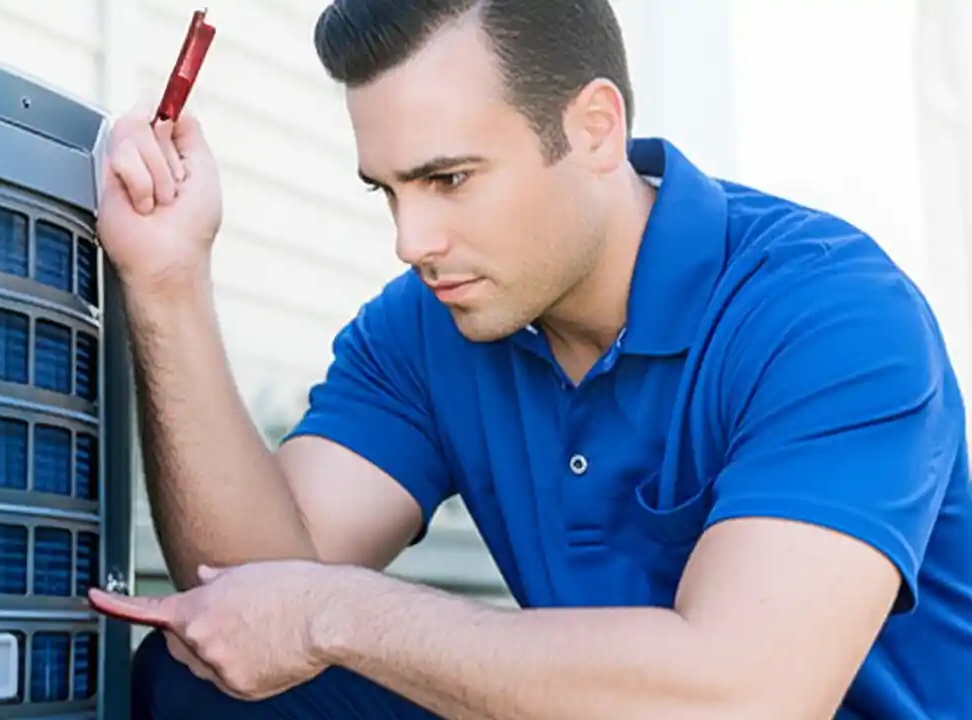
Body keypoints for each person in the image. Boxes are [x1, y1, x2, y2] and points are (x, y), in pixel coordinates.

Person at [89, 0, 972, 717]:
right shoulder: (429, 322)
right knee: (204, 683)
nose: (411, 240)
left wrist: (336, 611)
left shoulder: (831, 314)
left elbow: (745, 699)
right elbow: (247, 598)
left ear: (593, 128)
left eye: (450, 179)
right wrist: (167, 282)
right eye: (387, 190)